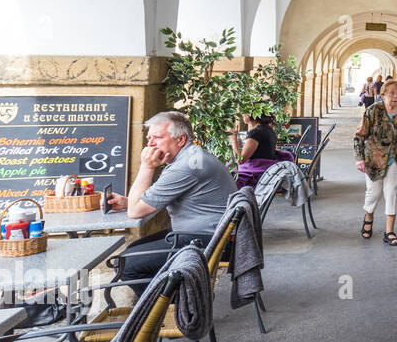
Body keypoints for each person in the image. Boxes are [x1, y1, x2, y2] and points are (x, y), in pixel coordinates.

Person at [110, 111, 237, 283]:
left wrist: (146, 167)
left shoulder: (185, 167)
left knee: (126, 264)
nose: (150, 145)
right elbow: (145, 203)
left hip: (209, 242)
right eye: (149, 138)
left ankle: (173, 306)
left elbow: (135, 212)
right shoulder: (191, 157)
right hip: (210, 235)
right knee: (133, 250)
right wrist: (127, 202)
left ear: (181, 140)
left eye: (158, 137)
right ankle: (171, 297)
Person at [353, 79, 397, 245]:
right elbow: (359, 135)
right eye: (392, 93)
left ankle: (389, 232)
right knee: (374, 192)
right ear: (383, 94)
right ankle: (368, 217)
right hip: (373, 157)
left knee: (391, 193)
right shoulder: (373, 110)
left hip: (396, 157)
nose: (395, 96)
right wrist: (359, 158)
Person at [229, 111, 285, 189]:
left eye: (243, 114)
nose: (243, 116)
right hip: (267, 171)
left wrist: (233, 138)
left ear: (247, 116)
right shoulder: (268, 130)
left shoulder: (256, 132)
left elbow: (240, 160)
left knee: (225, 175)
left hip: (257, 175)